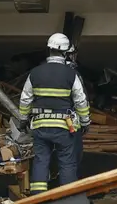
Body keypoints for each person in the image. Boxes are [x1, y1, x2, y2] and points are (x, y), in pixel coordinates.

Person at [18, 33, 91, 194]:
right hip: (64, 127)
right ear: (65, 52)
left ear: (49, 49)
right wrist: (85, 122)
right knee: (67, 163)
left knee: (41, 161)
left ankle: (38, 198)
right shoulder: (71, 74)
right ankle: (67, 198)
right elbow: (81, 101)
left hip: (40, 126)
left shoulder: (35, 73)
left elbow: (25, 99)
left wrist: (23, 120)